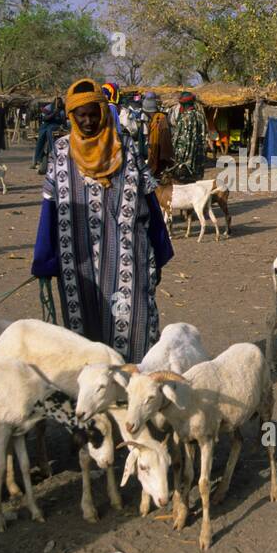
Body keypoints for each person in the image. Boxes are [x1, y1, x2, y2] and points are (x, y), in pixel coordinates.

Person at [31, 78, 173, 360]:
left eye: (93, 114)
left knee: (133, 325)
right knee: (84, 333)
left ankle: (134, 391)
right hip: (78, 259)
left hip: (127, 256)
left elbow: (149, 202)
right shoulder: (61, 152)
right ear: (71, 116)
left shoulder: (126, 148)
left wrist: (160, 251)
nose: (88, 121)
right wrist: (45, 259)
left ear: (103, 112)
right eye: (80, 115)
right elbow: (49, 208)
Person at [172, 91, 205, 181]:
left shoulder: (183, 118)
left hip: (184, 161)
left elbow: (176, 139)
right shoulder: (201, 116)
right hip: (198, 159)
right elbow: (204, 135)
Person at [143, 91, 174, 177]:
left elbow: (165, 143)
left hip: (161, 161)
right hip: (157, 160)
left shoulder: (160, 119)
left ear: (147, 111)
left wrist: (164, 162)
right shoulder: (153, 120)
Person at [33, 103, 59, 171]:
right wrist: (54, 113)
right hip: (46, 126)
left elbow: (61, 120)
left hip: (55, 125)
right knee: (41, 137)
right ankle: (38, 159)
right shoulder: (49, 108)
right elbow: (46, 118)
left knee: (49, 132)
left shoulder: (61, 109)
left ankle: (52, 152)